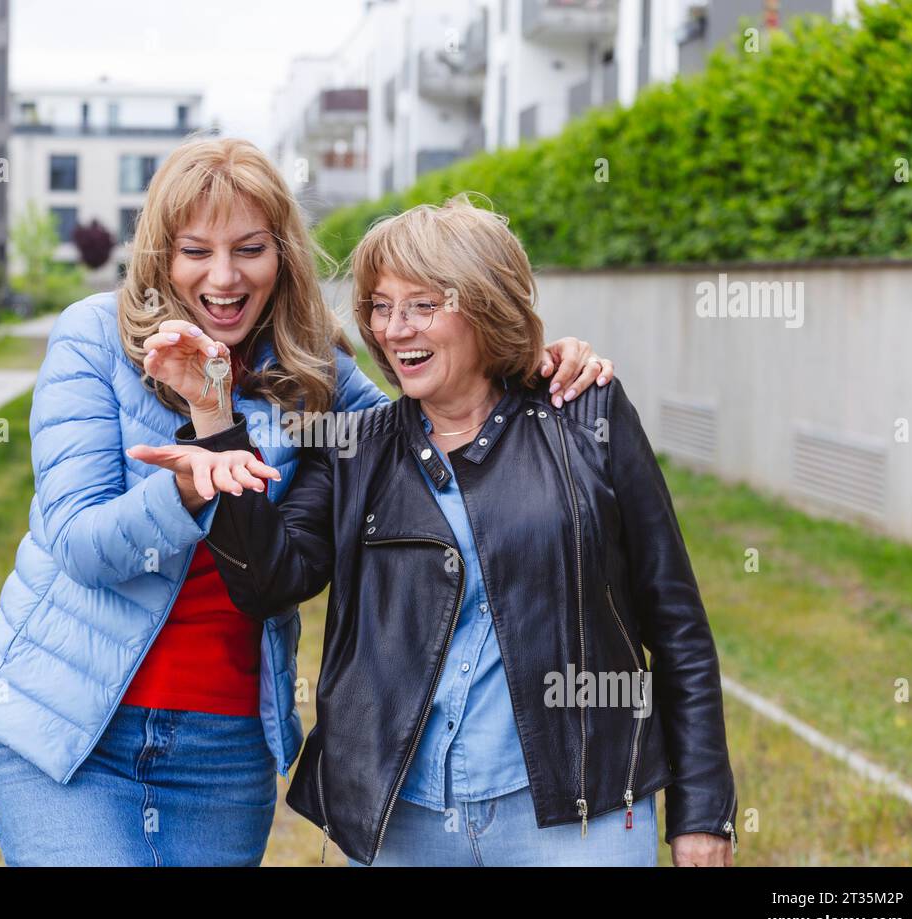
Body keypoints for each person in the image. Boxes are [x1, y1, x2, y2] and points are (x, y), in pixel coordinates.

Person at [0, 138, 613, 866]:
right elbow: (83, 546)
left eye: (249, 248)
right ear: (159, 257)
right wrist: (186, 487)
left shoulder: (312, 372)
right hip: (70, 731)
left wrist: (534, 366)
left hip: (223, 749)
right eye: (195, 251)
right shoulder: (93, 339)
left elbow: (426, 423)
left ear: (281, 256)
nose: (223, 276)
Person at [130, 194, 736, 866]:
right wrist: (214, 420)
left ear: (484, 306)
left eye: (423, 305)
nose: (394, 329)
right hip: (407, 824)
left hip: (578, 819)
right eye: (382, 308)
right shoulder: (355, 447)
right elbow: (269, 582)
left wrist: (703, 809)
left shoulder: (585, 416)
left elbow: (674, 619)